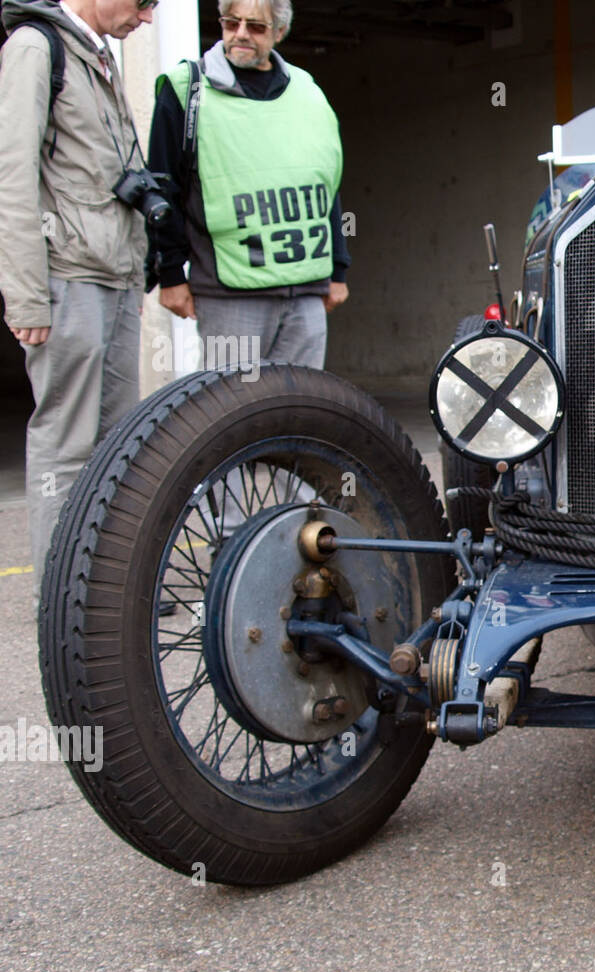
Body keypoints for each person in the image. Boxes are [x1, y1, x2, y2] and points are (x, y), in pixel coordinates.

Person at [0, 0, 157, 595]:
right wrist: (26, 296)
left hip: (112, 276)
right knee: (66, 446)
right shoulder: (37, 48)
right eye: (143, 4)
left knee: (119, 443)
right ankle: (58, 596)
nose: (145, 20)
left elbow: (116, 177)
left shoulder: (97, 55)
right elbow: (11, 177)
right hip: (66, 276)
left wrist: (134, 273)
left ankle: (106, 595)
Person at [148, 0, 349, 371]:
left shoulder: (307, 92)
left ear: (279, 32)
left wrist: (337, 269)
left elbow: (326, 182)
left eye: (255, 26)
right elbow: (162, 188)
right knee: (234, 415)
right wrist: (171, 274)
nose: (240, 34)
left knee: (302, 413)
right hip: (230, 294)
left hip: (306, 292)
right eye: (231, 22)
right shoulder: (187, 89)